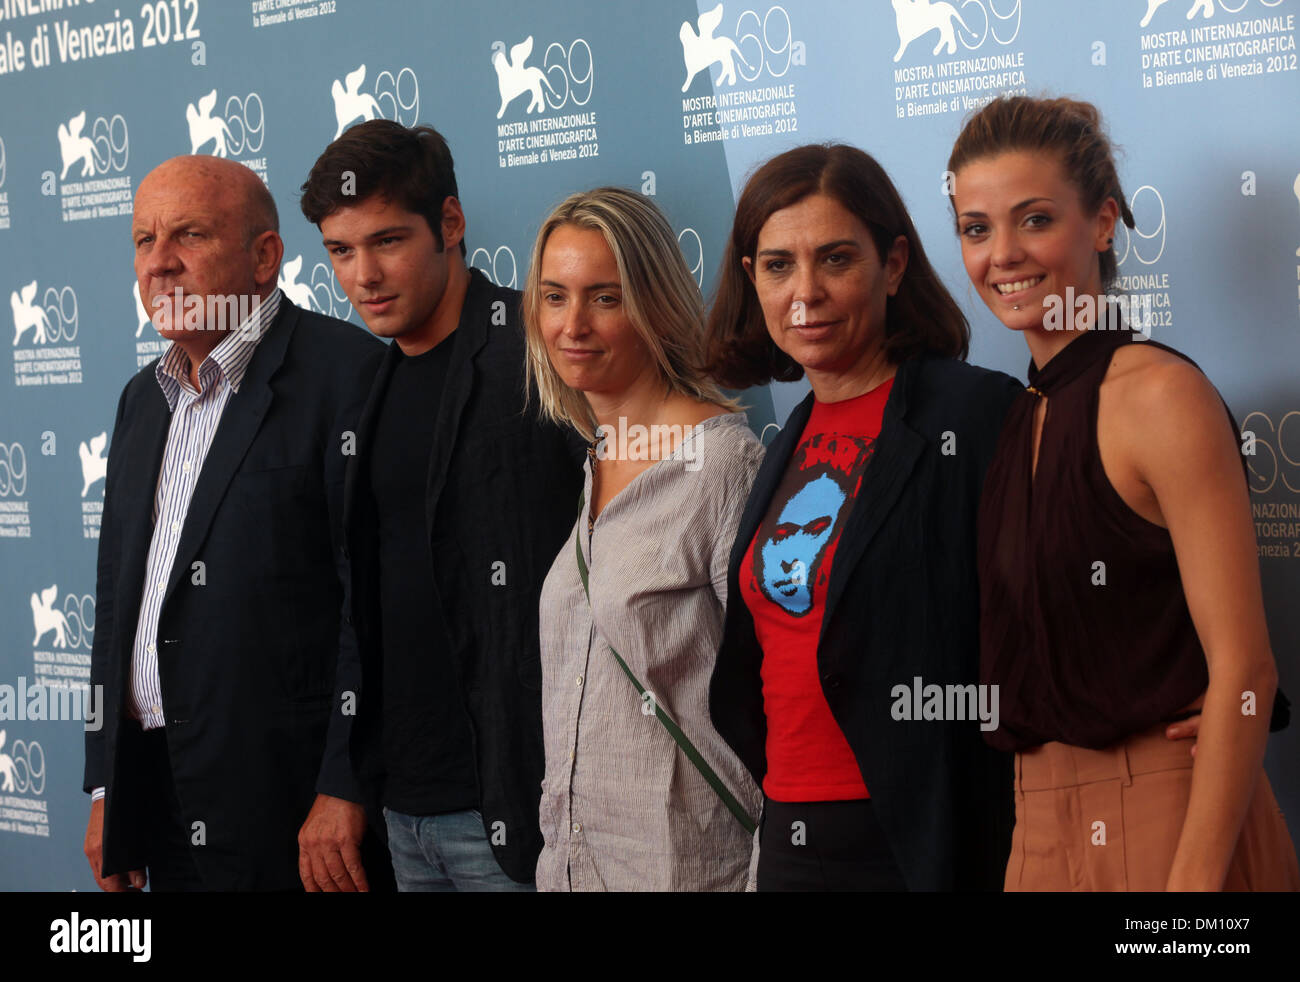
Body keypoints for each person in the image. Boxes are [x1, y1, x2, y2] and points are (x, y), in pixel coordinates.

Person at [948, 94, 1299, 891]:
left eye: (1033, 219)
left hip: (1170, 819)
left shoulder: (1159, 396)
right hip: (1035, 824)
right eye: (976, 228)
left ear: (1103, 223)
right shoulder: (1018, 418)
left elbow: (1247, 673)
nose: (1001, 253)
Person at [704, 143, 1024, 891]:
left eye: (837, 259)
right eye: (778, 265)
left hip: (916, 836)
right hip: (787, 830)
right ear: (752, 278)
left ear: (895, 264)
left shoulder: (974, 414)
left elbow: (1042, 616)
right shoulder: (788, 436)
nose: (805, 293)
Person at [83, 155, 388, 891]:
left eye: (188, 235)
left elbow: (375, 606)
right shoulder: (140, 399)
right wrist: (105, 788)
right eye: (143, 240)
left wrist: (345, 785)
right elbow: (117, 606)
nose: (161, 263)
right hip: (156, 796)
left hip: (294, 812)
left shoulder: (349, 377)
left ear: (264, 256)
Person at [299, 120, 582, 891]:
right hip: (399, 814)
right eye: (340, 250)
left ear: (450, 225)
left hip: (527, 809)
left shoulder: (548, 349)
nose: (363, 275)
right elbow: (362, 606)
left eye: (387, 241)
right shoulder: (363, 389)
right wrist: (347, 776)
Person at [523, 187, 763, 890]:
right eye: (554, 296)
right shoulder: (597, 456)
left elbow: (779, 703)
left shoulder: (721, 464)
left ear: (654, 304)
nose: (573, 325)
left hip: (686, 872)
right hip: (575, 871)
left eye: (604, 297)